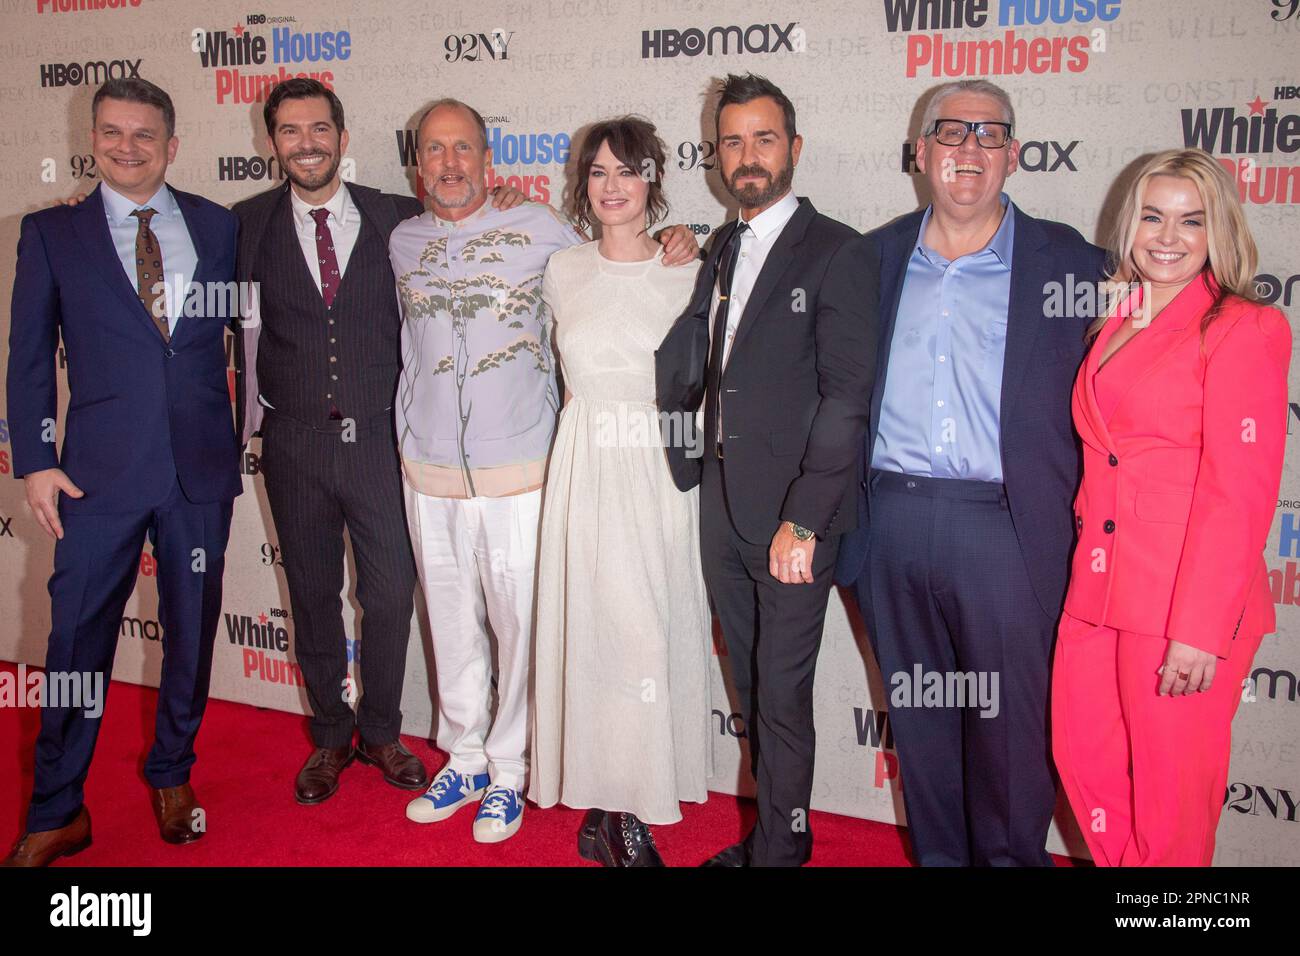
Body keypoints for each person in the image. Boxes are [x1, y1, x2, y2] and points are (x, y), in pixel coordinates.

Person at [393, 99, 699, 844]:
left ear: (487, 158)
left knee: (525, 625)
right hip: (426, 466)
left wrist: (678, 235)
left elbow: (625, 255)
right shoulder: (397, 236)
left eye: (463, 148)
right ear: (417, 162)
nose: (450, 164)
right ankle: (463, 756)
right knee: (452, 624)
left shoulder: (543, 234)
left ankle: (509, 769)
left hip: (526, 466)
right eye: (435, 150)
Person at [834, 79, 1108, 866]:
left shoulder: (1076, 265)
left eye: (990, 135)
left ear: (1014, 156)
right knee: (921, 732)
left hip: (1008, 533)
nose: (969, 149)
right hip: (889, 527)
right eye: (949, 133)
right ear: (919, 153)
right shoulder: (873, 258)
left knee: (1011, 742)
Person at [3, 78, 240, 865]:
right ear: (93, 139)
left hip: (200, 469)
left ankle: (173, 772)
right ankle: (57, 806)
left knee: (192, 634)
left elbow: (257, 330)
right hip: (95, 477)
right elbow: (30, 358)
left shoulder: (219, 225)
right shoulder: (51, 233)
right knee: (74, 643)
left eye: (145, 135)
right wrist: (34, 462)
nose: (128, 147)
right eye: (113, 133)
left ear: (172, 145)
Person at [656, 73, 878, 867]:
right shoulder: (721, 244)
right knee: (752, 688)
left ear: (795, 148)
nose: (748, 157)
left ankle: (781, 856)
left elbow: (847, 401)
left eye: (765, 139)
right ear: (715, 154)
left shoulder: (840, 252)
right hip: (722, 505)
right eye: (733, 142)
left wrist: (807, 520)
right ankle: (774, 835)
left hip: (793, 519)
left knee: (780, 696)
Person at [1053, 148, 1290, 866]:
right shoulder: (1115, 319)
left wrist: (1199, 629)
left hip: (1181, 598)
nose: (1168, 235)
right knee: (1083, 758)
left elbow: (1239, 490)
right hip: (1098, 586)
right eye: (1153, 216)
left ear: (1220, 231)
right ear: (1130, 224)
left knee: (1171, 800)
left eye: (1192, 221)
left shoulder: (1242, 326)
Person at [233, 79, 435, 804]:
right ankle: (330, 736)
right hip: (292, 446)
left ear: (343, 139)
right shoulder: (245, 225)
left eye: (319, 129)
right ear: (272, 143)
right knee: (313, 595)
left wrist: (504, 200)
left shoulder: (400, 216)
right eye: (290, 131)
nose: (306, 143)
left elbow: (472, 232)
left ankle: (380, 729)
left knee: (388, 595)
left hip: (381, 441)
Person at [529, 117, 710, 866]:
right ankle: (604, 799)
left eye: (627, 171)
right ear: (582, 184)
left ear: (652, 183)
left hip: (654, 470)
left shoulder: (689, 268)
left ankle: (632, 803)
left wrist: (690, 240)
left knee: (646, 636)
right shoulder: (561, 270)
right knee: (593, 635)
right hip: (581, 468)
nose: (611, 186)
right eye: (597, 172)